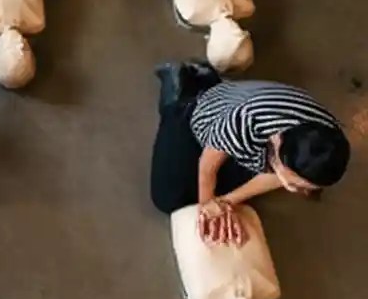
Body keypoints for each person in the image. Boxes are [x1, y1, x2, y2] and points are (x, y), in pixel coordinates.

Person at [149, 61, 349, 245]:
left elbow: (276, 176)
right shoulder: (247, 121)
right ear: (279, 147)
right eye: (293, 183)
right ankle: (182, 86)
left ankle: (206, 79)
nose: (292, 189)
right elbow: (207, 167)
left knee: (222, 190)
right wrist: (207, 205)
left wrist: (226, 201)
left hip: (245, 122)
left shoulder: (326, 138)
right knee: (169, 197)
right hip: (204, 115)